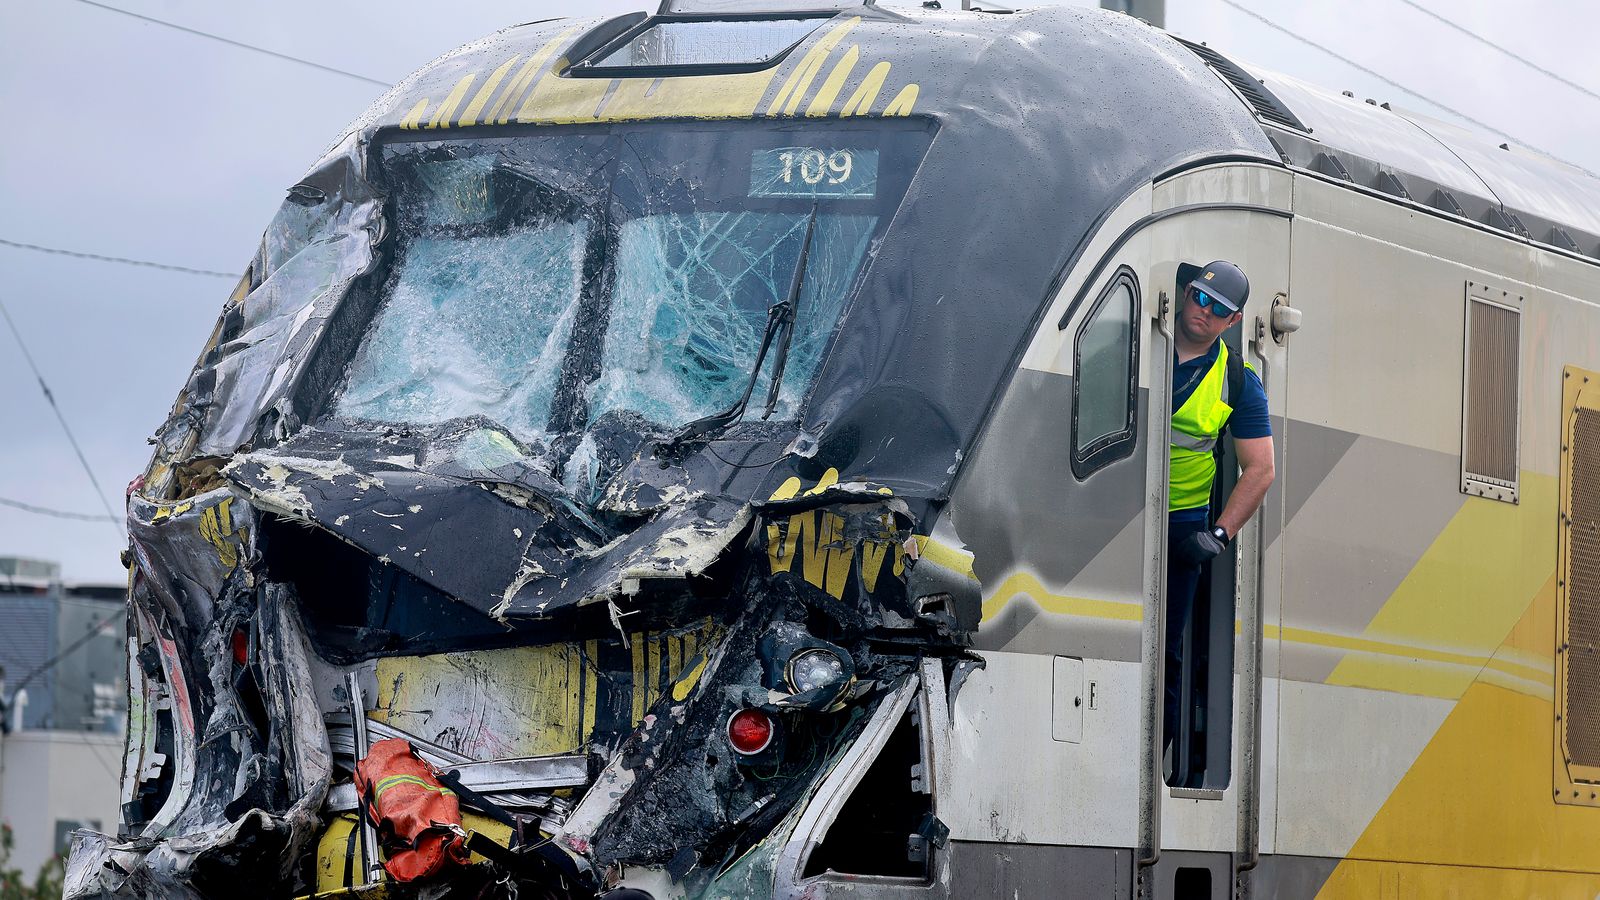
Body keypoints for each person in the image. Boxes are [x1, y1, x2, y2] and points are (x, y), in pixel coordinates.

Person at [1164, 260, 1275, 773]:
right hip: (1107, 507)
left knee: (1164, 650)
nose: (1204, 313)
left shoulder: (1238, 381)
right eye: (1200, 299)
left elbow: (1261, 469)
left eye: (1219, 310)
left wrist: (1218, 534)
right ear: (1187, 294)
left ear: (1233, 323)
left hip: (1181, 528)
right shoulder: (1144, 346)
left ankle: (1153, 760)